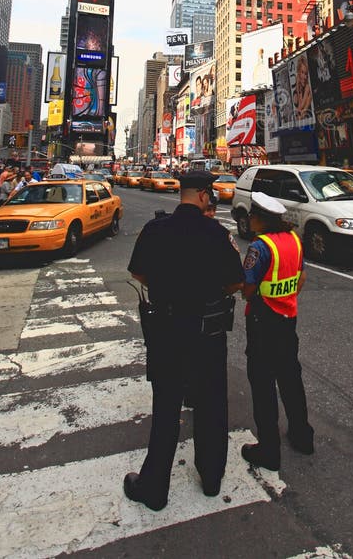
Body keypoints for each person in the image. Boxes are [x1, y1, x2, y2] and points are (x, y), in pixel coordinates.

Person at [124, 171, 243, 511]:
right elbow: (235, 283)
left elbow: (138, 274)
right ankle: (211, 477)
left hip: (165, 329)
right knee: (211, 402)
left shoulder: (155, 229)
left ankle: (155, 487)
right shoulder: (217, 234)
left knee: (166, 406)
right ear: (205, 195)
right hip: (206, 331)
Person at [241, 192, 313, 472]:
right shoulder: (294, 240)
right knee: (291, 378)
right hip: (287, 319)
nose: (249, 220)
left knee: (262, 385)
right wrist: (287, 297)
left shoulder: (260, 247)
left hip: (262, 322)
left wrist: (254, 295)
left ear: (261, 219)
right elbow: (301, 276)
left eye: (252, 216)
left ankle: (268, 450)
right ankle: (302, 436)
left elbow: (248, 288)